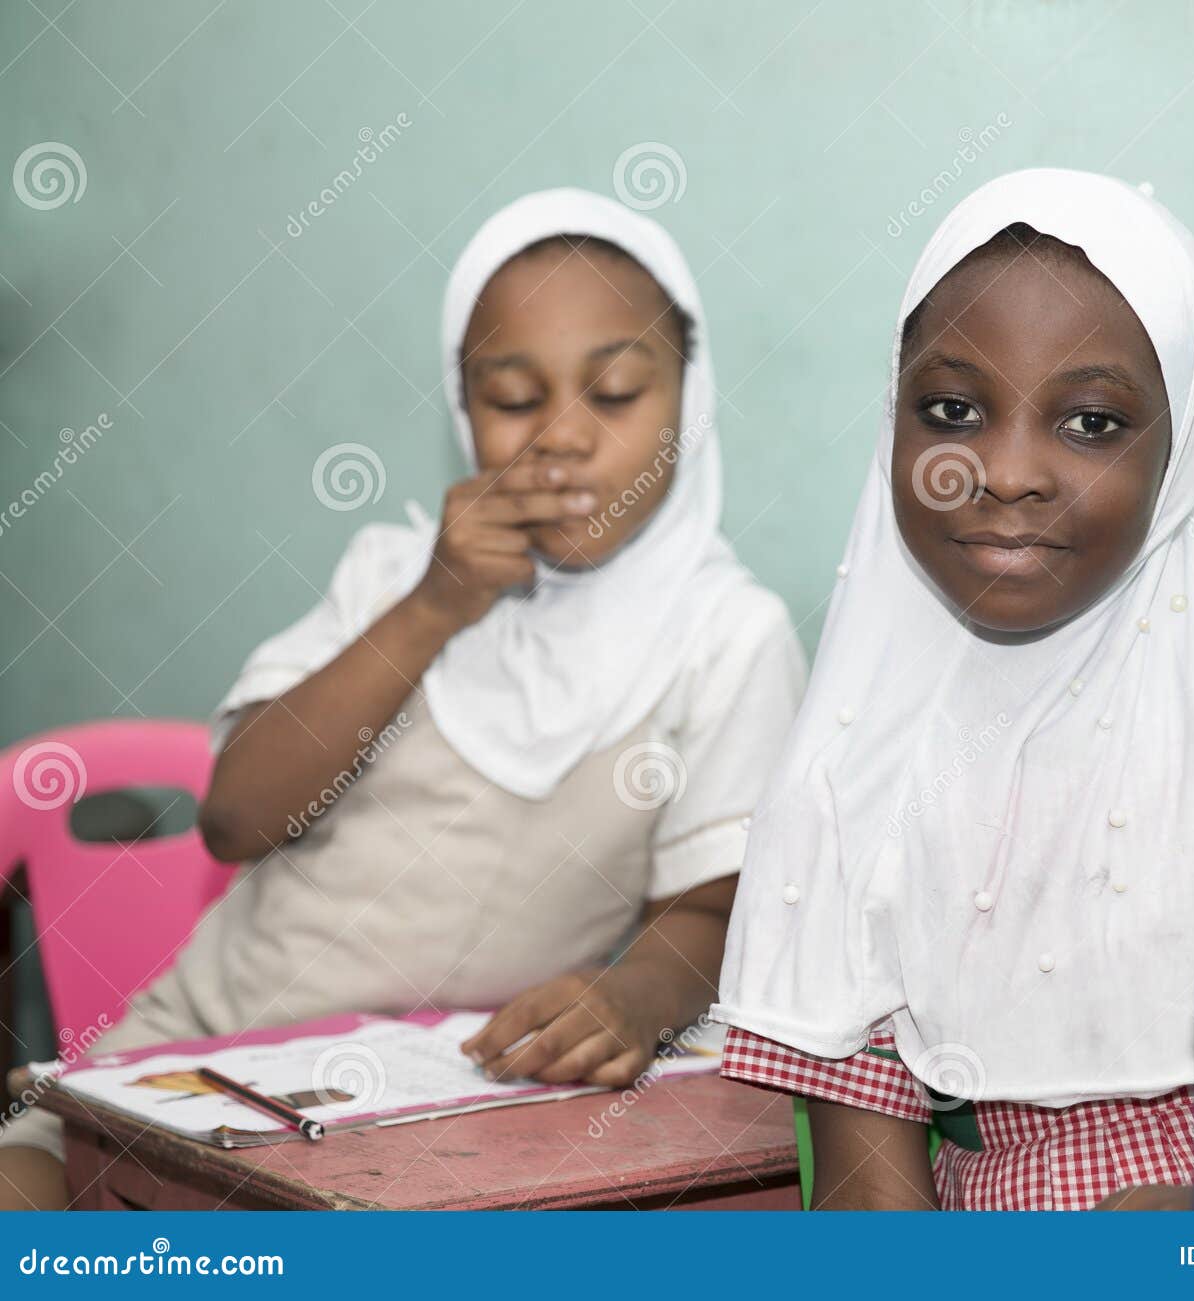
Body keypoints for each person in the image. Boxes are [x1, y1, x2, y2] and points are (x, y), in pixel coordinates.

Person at [0, 189, 804, 1209]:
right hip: (186, 1064)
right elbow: (238, 817)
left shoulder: (726, 636)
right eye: (514, 399)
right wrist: (436, 605)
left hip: (425, 1116)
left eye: (613, 395)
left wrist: (633, 997)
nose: (561, 437)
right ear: (463, 411)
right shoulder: (391, 575)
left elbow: (711, 900)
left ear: (688, 401)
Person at [712, 169, 1194, 1210]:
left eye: (1090, 423)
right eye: (952, 409)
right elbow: (872, 1211)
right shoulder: (851, 775)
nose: (1004, 471)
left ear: (1181, 450)